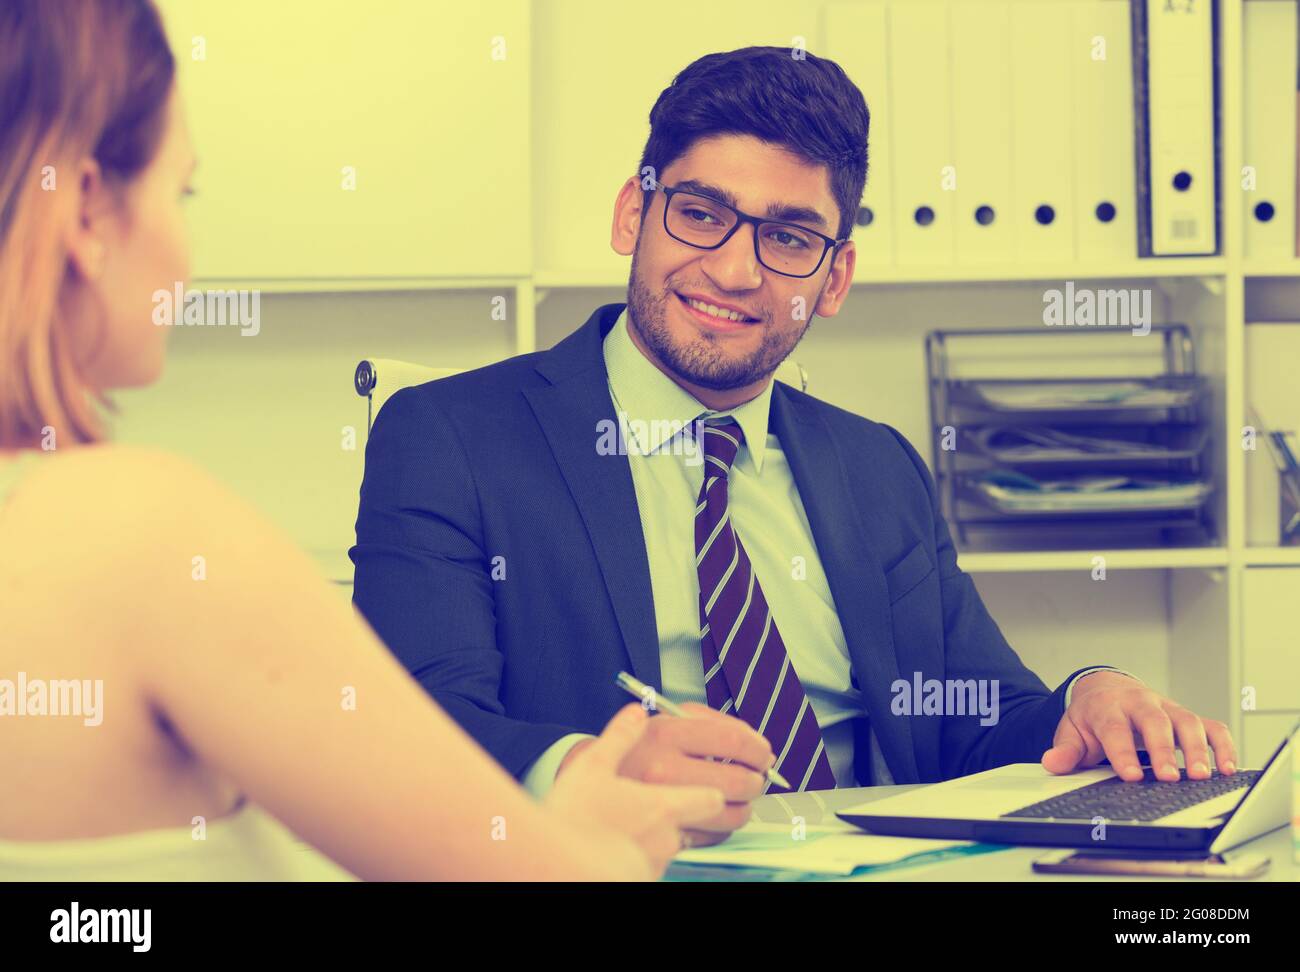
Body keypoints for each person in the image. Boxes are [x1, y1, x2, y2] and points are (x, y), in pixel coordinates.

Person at [352, 46, 1238, 849]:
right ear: (634, 214)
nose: (737, 271)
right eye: (700, 214)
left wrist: (1090, 697)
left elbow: (975, 719)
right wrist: (594, 768)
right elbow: (417, 721)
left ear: (835, 277)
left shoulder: (877, 465)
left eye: (788, 238)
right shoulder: (450, 437)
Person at [0, 0, 727, 882]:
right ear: (82, 208)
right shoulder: (144, 532)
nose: (186, 251)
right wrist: (603, 835)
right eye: (178, 190)